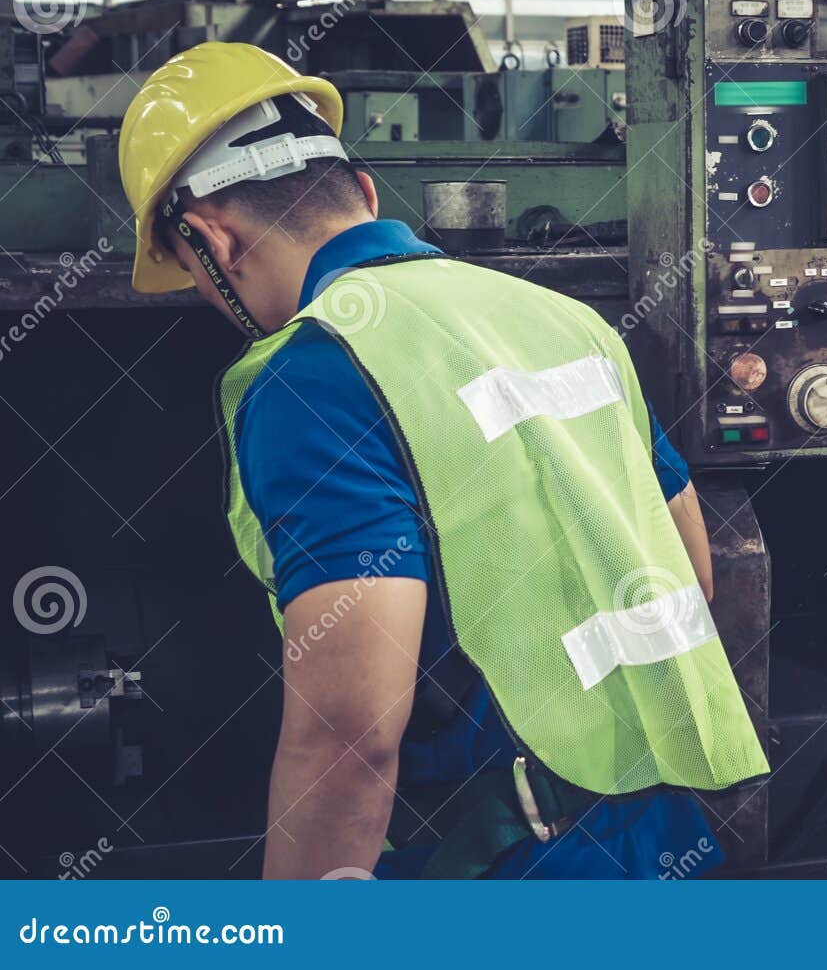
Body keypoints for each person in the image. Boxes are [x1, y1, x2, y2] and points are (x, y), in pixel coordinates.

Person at [118, 44, 768, 879]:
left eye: (190, 273)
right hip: (661, 839)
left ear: (211, 239)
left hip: (501, 864)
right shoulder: (563, 319)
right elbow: (690, 575)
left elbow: (350, 732)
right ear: (362, 191)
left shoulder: (312, 376)